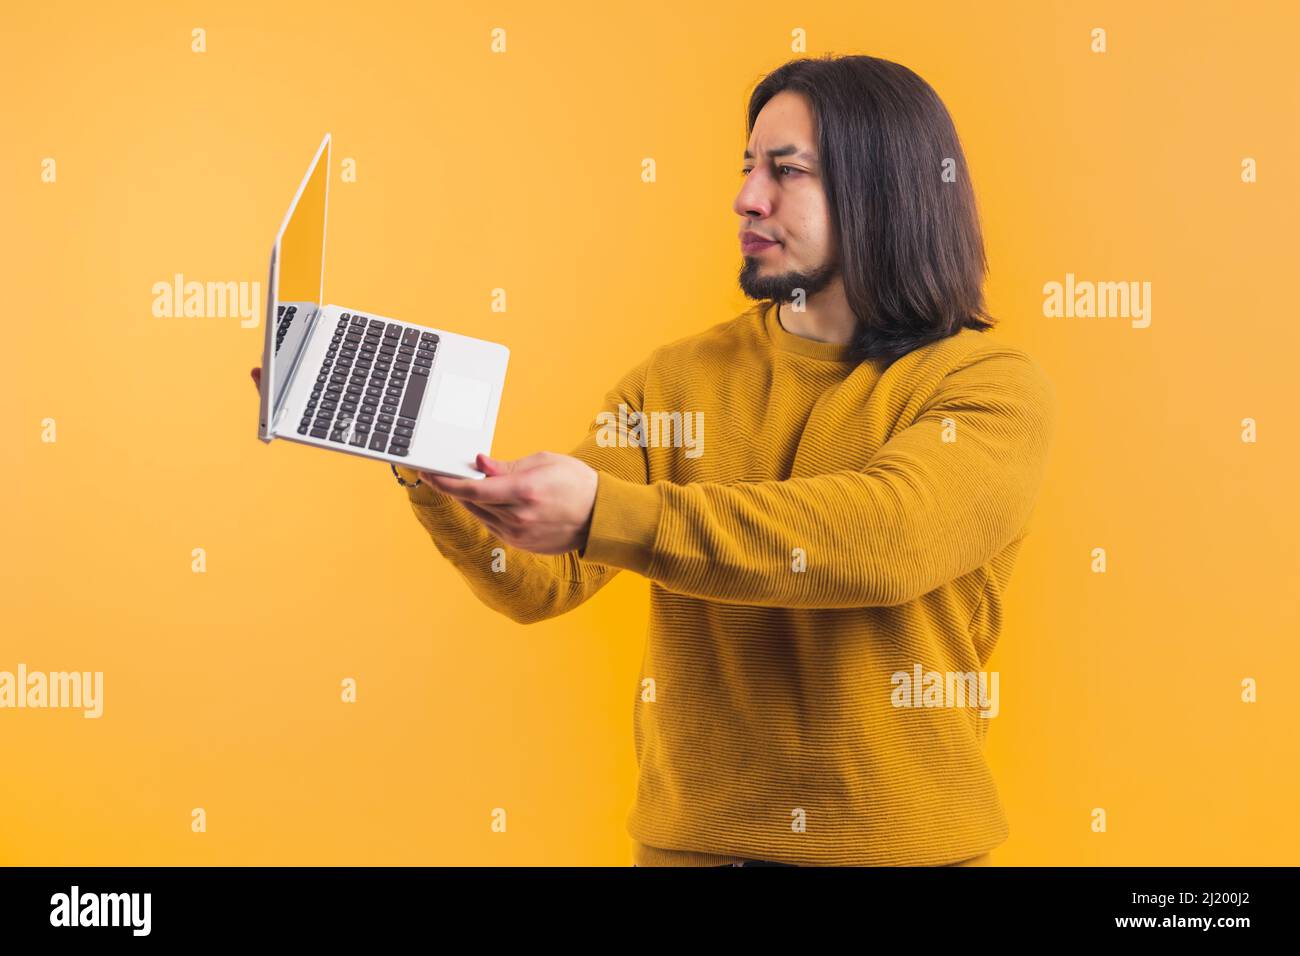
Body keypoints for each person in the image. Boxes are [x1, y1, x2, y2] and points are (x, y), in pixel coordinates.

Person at [253, 54, 1055, 867]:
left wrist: (606, 512)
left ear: (884, 193)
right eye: (747, 167)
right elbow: (541, 582)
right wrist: (418, 453)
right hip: (692, 851)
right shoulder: (678, 380)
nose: (747, 197)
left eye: (787, 172)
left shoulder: (987, 385)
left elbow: (886, 539)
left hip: (908, 855)